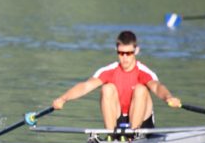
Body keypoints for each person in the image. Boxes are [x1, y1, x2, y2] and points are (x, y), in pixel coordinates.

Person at [50, 31, 182, 133]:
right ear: (116, 51)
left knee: (141, 89)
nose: (124, 58)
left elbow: (157, 87)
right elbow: (85, 86)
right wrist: (63, 98)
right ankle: (111, 136)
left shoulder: (143, 71)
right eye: (121, 53)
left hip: (142, 122)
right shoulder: (109, 71)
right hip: (118, 118)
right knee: (107, 88)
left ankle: (133, 136)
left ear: (136, 51)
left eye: (129, 53)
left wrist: (168, 97)